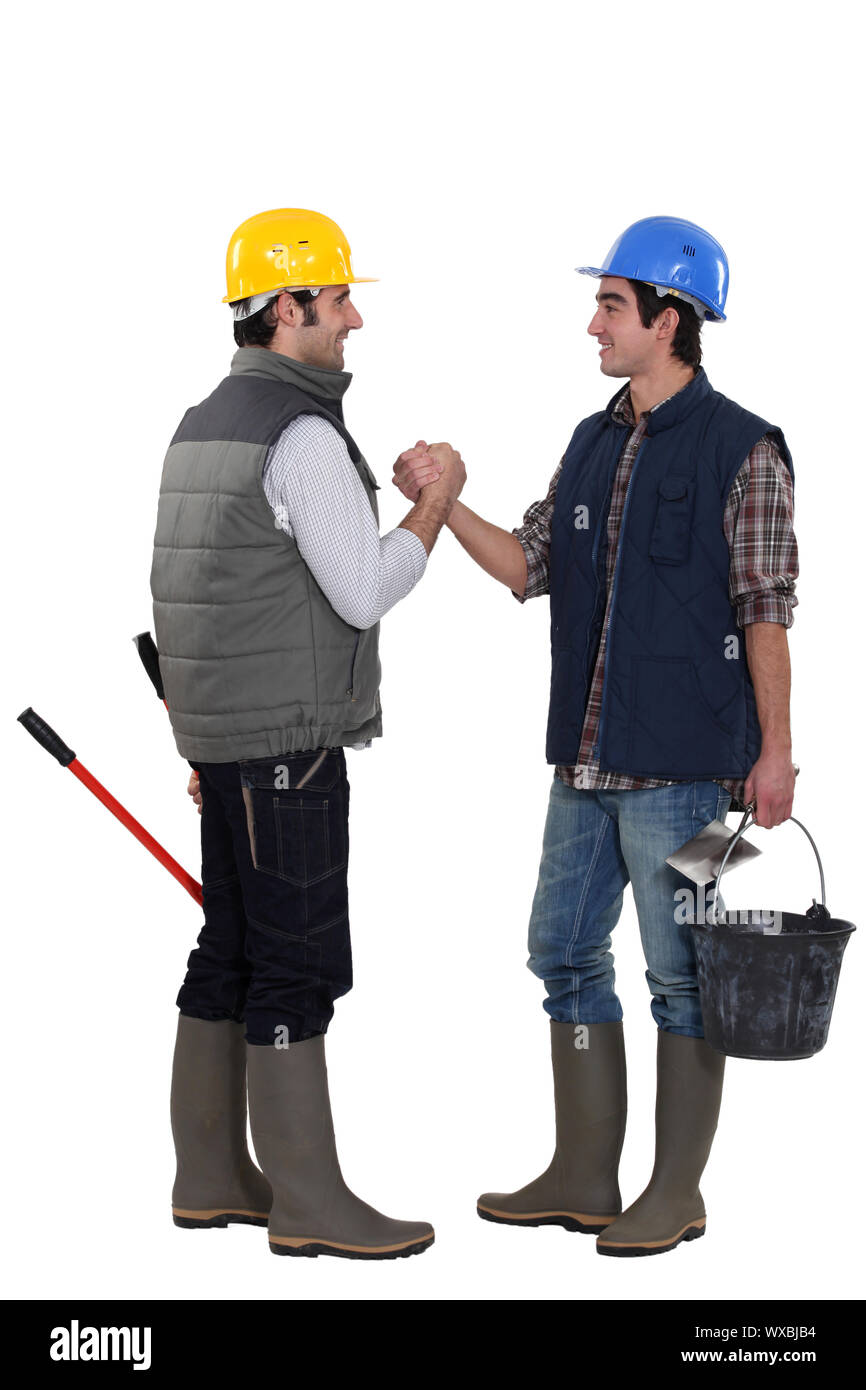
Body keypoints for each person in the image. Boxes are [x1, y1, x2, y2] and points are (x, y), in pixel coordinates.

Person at [393, 215, 798, 1257]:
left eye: (610, 307)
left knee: (681, 976)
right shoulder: (589, 440)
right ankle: (582, 1173)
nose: (592, 326)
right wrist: (447, 503)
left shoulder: (742, 448)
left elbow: (764, 607)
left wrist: (773, 751)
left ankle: (674, 1190)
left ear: (669, 320)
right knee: (561, 950)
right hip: (580, 761)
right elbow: (529, 565)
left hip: (687, 771)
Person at [151, 207, 464, 1260]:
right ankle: (307, 1199)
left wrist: (205, 742)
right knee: (295, 963)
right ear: (286, 309)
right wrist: (435, 505)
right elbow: (365, 589)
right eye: (336, 300)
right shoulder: (300, 434)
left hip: (231, 742)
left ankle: (209, 1176)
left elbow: (194, 595)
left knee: (229, 948)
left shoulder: (203, 422)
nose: (354, 320)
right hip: (287, 746)